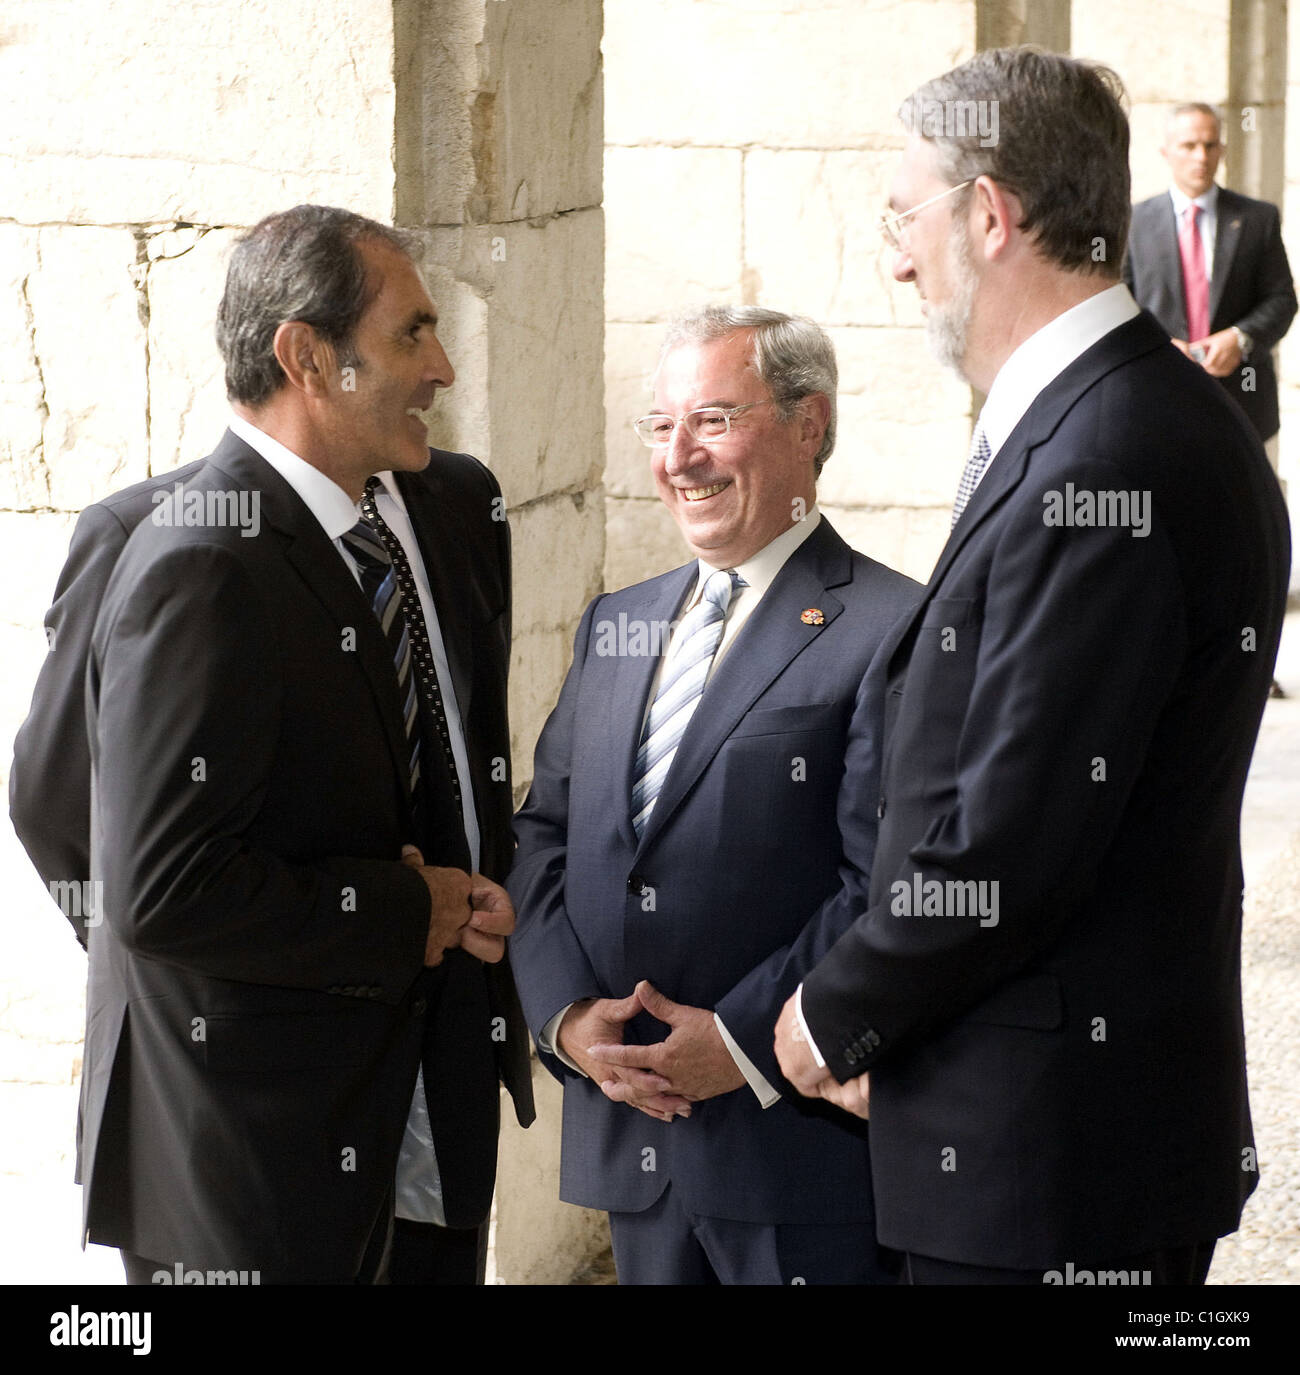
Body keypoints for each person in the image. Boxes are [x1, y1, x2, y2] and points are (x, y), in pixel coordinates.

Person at [775, 48, 1289, 1285]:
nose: (895, 258)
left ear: (991, 215)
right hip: (1062, 1137)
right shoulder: (1127, 415)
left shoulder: (1101, 455)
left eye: (904, 219)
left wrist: (827, 1014)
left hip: (1051, 1165)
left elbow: (1014, 834)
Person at [11, 204, 533, 1284]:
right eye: (409, 334)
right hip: (247, 1143)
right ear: (305, 354)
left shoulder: (460, 504)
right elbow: (115, 857)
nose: (441, 364)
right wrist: (368, 926)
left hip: (430, 1098)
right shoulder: (187, 556)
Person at [507, 305, 919, 1284]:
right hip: (631, 1151)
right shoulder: (617, 621)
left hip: (798, 1160)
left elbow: (884, 885)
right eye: (661, 427)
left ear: (807, 425)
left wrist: (738, 1044)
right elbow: (540, 837)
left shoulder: (895, 628)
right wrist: (566, 1020)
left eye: (714, 421)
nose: (678, 459)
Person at [1123, 102, 1296, 449]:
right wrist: (1156, 345)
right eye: (1189, 146)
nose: (1201, 156)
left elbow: (1281, 299)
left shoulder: (1257, 218)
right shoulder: (1133, 222)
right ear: (1166, 152)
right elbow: (1118, 303)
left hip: (1241, 401)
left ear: (1222, 149)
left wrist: (1240, 338)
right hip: (1158, 395)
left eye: (1210, 144)